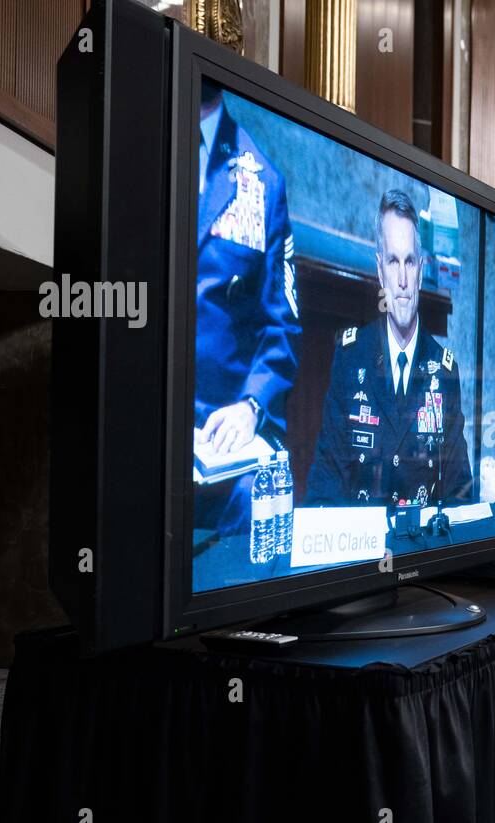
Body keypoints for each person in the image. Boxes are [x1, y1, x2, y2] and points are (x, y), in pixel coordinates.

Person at [306, 189, 472, 508]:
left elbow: (460, 492)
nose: (403, 280)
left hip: (422, 539)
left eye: (409, 262)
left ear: (420, 271)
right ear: (381, 271)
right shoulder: (350, 357)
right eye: (393, 262)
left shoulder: (444, 371)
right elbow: (324, 486)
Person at [194, 84, 300, 537]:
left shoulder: (261, 181)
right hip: (138, 412)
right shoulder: (134, 141)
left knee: (261, 495)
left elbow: (282, 327)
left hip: (219, 436)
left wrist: (251, 406)